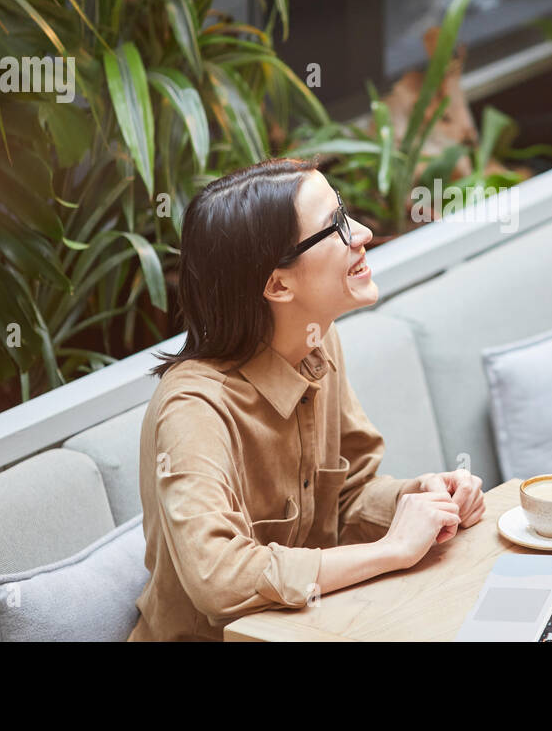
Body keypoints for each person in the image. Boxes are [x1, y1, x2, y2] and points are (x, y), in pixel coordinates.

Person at [128, 158, 485, 641]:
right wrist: (393, 549)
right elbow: (219, 579)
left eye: (346, 213)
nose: (360, 233)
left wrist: (417, 499)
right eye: (334, 226)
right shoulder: (194, 409)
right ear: (278, 284)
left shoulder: (317, 343)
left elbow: (349, 497)